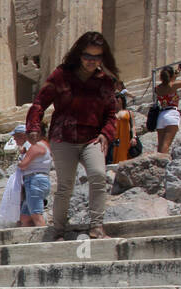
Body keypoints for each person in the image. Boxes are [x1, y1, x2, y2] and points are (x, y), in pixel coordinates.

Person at [26, 31, 120, 241]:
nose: (91, 62)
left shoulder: (105, 82)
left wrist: (107, 133)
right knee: (65, 185)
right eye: (87, 56)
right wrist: (33, 125)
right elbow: (41, 102)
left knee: (98, 176)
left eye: (96, 57)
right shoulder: (62, 75)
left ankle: (96, 227)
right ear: (79, 54)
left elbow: (112, 113)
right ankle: (58, 229)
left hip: (92, 138)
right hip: (63, 137)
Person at [153, 64, 181, 156]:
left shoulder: (157, 89)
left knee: (160, 145)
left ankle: (158, 163)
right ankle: (163, 165)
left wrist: (177, 71)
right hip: (172, 115)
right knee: (166, 144)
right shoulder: (173, 86)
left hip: (161, 116)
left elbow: (169, 81)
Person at [17, 133, 53, 227]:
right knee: (25, 217)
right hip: (41, 180)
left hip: (34, 181)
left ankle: (45, 240)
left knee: (36, 215)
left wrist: (20, 159)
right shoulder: (46, 145)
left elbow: (23, 165)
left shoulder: (36, 147)